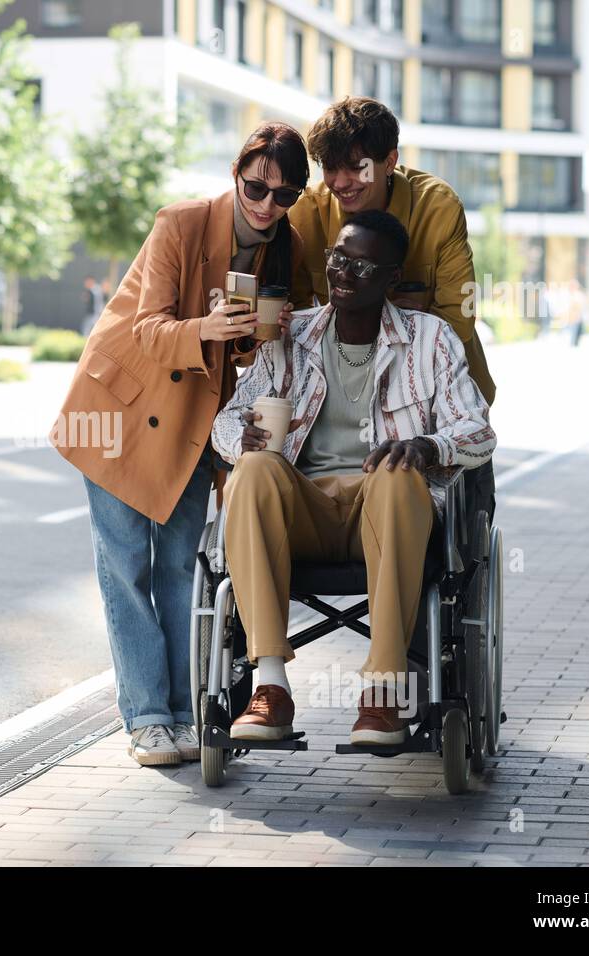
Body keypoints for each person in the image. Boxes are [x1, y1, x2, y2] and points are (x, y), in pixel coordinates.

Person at [52, 123, 308, 767]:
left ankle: (182, 713)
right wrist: (211, 328)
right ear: (236, 174)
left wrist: (247, 340)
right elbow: (146, 328)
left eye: (285, 195)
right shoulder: (183, 223)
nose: (267, 204)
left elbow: (267, 352)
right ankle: (144, 717)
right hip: (121, 410)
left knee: (178, 569)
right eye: (257, 186)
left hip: (197, 419)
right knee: (125, 568)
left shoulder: (286, 249)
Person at [210, 211, 496, 746]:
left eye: (361, 266)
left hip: (386, 514)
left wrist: (428, 444)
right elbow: (228, 418)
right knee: (253, 468)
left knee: (395, 470)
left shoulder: (430, 340)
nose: (343, 272)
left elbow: (478, 430)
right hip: (304, 511)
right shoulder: (290, 336)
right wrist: (237, 440)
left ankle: (384, 692)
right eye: (338, 258)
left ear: (390, 279)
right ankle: (269, 687)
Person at [287, 96, 496, 516]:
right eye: (330, 168)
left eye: (357, 167)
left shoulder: (437, 207)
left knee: (464, 527)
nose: (342, 181)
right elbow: (291, 319)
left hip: (440, 400)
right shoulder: (306, 213)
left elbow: (458, 318)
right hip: (339, 405)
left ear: (390, 160)